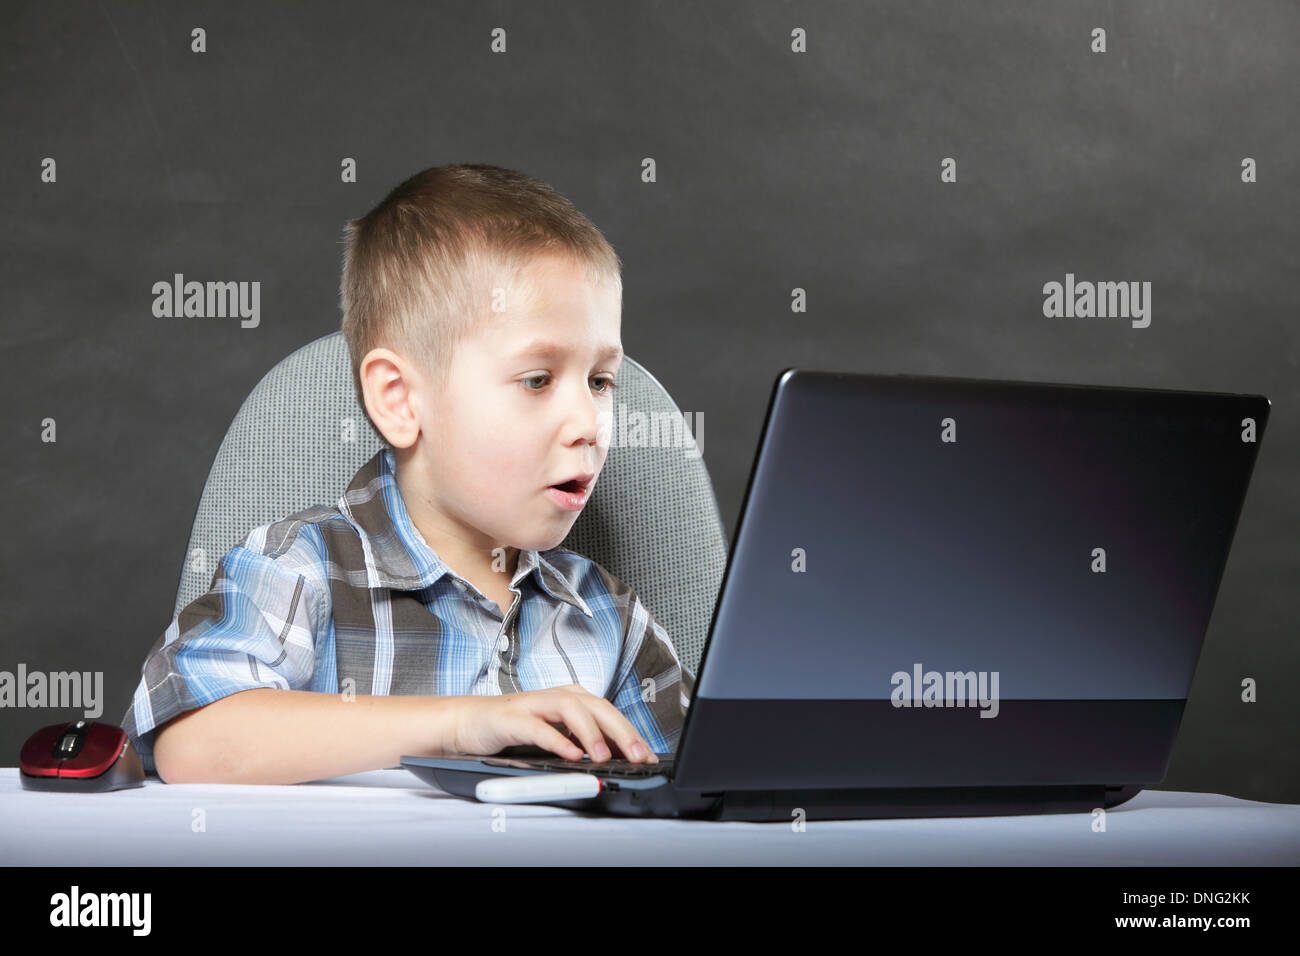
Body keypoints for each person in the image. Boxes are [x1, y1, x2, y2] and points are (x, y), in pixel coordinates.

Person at [121, 164, 693, 784]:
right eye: (537, 379)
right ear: (399, 400)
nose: (589, 422)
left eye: (601, 381)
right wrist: (458, 725)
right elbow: (193, 739)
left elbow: (703, 785)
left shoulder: (605, 615)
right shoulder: (300, 569)